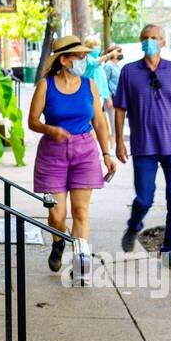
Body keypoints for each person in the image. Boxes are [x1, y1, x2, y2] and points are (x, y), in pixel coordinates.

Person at [28, 35, 116, 285]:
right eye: (79, 56)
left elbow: (99, 121)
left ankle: (80, 264)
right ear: (64, 60)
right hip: (53, 153)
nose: (84, 60)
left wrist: (107, 154)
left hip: (84, 152)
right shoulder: (46, 85)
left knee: (80, 211)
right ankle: (58, 243)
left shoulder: (90, 85)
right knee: (57, 215)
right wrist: (51, 130)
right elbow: (32, 121)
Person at [114, 24, 171, 269]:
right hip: (144, 146)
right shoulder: (129, 72)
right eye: (145, 38)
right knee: (144, 197)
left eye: (153, 38)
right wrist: (119, 141)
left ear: (163, 42)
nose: (149, 42)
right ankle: (134, 226)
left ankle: (170, 250)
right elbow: (120, 109)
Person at [101, 46, 123, 138]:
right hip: (111, 98)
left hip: (118, 97)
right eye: (120, 52)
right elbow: (104, 82)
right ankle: (112, 147)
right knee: (113, 124)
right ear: (114, 54)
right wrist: (108, 98)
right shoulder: (108, 66)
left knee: (118, 123)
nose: (121, 54)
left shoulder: (117, 66)